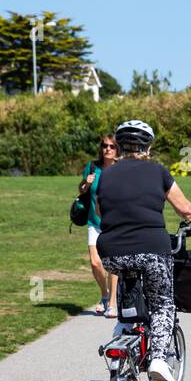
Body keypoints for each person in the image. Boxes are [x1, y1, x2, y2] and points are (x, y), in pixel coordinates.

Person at [93, 120, 191, 381]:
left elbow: (99, 211)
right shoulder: (158, 172)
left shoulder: (106, 174)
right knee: (162, 304)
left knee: (127, 286)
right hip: (151, 248)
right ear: (147, 147)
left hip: (111, 252)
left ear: (120, 147)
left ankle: (122, 333)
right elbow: (184, 208)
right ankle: (158, 360)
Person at [80, 135, 119, 315]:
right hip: (94, 222)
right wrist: (85, 184)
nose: (108, 149)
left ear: (117, 149)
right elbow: (81, 189)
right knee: (95, 263)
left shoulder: (121, 169)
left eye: (112, 146)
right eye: (105, 146)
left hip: (114, 223)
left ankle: (112, 303)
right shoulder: (93, 167)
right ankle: (105, 294)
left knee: (112, 264)